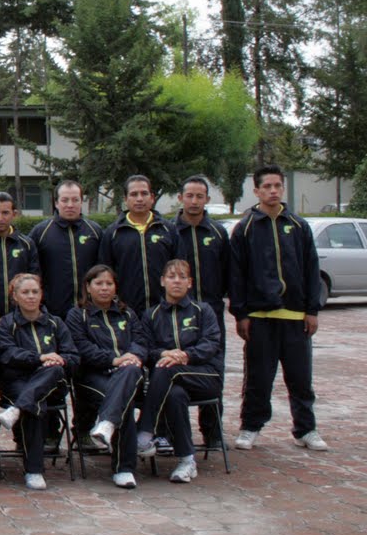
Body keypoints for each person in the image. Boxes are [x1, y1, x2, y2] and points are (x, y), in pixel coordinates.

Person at [229, 165, 327, 452]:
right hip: (259, 318)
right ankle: (250, 426)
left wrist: (312, 310)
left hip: (295, 317)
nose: (273, 191)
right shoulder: (245, 228)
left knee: (300, 378)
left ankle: (305, 429)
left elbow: (312, 269)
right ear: (256, 191)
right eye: (267, 186)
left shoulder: (298, 226)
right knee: (258, 378)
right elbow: (237, 274)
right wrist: (241, 313)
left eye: (277, 186)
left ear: (282, 189)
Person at [133, 260, 225, 484]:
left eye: (182, 277)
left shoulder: (203, 311)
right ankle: (187, 460)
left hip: (204, 375)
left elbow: (211, 343)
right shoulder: (151, 314)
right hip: (170, 383)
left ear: (190, 283)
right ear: (163, 281)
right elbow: (147, 349)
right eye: (172, 276)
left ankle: (145, 431)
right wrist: (164, 353)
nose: (177, 281)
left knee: (166, 371)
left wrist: (186, 355)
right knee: (174, 394)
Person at [0, 273, 80, 491]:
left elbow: (73, 357)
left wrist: (60, 358)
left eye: (35, 292)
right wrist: (39, 358)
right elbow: (6, 355)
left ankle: (17, 409)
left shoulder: (56, 323)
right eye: (25, 292)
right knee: (35, 405)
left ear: (41, 295)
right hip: (17, 383)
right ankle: (34, 470)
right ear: (15, 296)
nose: (31, 297)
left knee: (54, 369)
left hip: (52, 384)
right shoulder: (7, 324)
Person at [66, 265, 150, 489]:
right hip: (94, 376)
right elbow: (81, 347)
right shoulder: (77, 315)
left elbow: (141, 341)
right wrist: (113, 360)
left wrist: (133, 356)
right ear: (88, 286)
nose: (104, 288)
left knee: (130, 373)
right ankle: (124, 468)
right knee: (125, 401)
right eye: (99, 283)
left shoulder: (127, 313)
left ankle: (107, 424)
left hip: (129, 373)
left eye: (109, 284)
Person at [170, 175, 235, 447]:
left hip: (211, 311)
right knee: (174, 368)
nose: (194, 201)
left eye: (200, 196)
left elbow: (229, 272)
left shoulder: (218, 232)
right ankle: (172, 433)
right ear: (180, 198)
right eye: (189, 196)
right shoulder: (170, 231)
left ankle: (213, 433)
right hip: (176, 312)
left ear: (207, 199)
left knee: (212, 369)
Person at [99, 175, 175, 312]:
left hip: (164, 310)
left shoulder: (168, 230)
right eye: (134, 194)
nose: (139, 198)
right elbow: (105, 272)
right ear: (125, 199)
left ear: (152, 197)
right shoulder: (113, 233)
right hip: (126, 311)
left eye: (144, 193)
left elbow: (179, 268)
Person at [30, 180, 104, 317]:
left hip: (89, 310)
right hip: (52, 311)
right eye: (65, 200)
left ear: (82, 202)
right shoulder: (40, 232)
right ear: (56, 203)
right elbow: (32, 270)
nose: (70, 205)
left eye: (75, 200)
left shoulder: (95, 231)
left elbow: (103, 268)